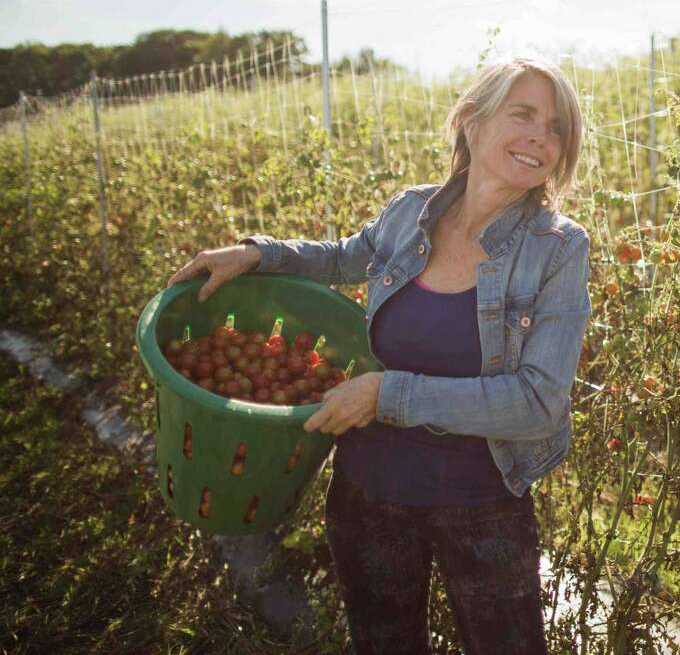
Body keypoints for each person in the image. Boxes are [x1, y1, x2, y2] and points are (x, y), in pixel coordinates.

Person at [166, 56, 592, 654]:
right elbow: (344, 257)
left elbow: (537, 404)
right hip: (368, 495)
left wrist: (386, 394)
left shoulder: (558, 249)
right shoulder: (409, 213)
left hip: (483, 506)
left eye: (556, 129)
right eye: (522, 114)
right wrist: (256, 254)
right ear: (472, 121)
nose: (540, 138)